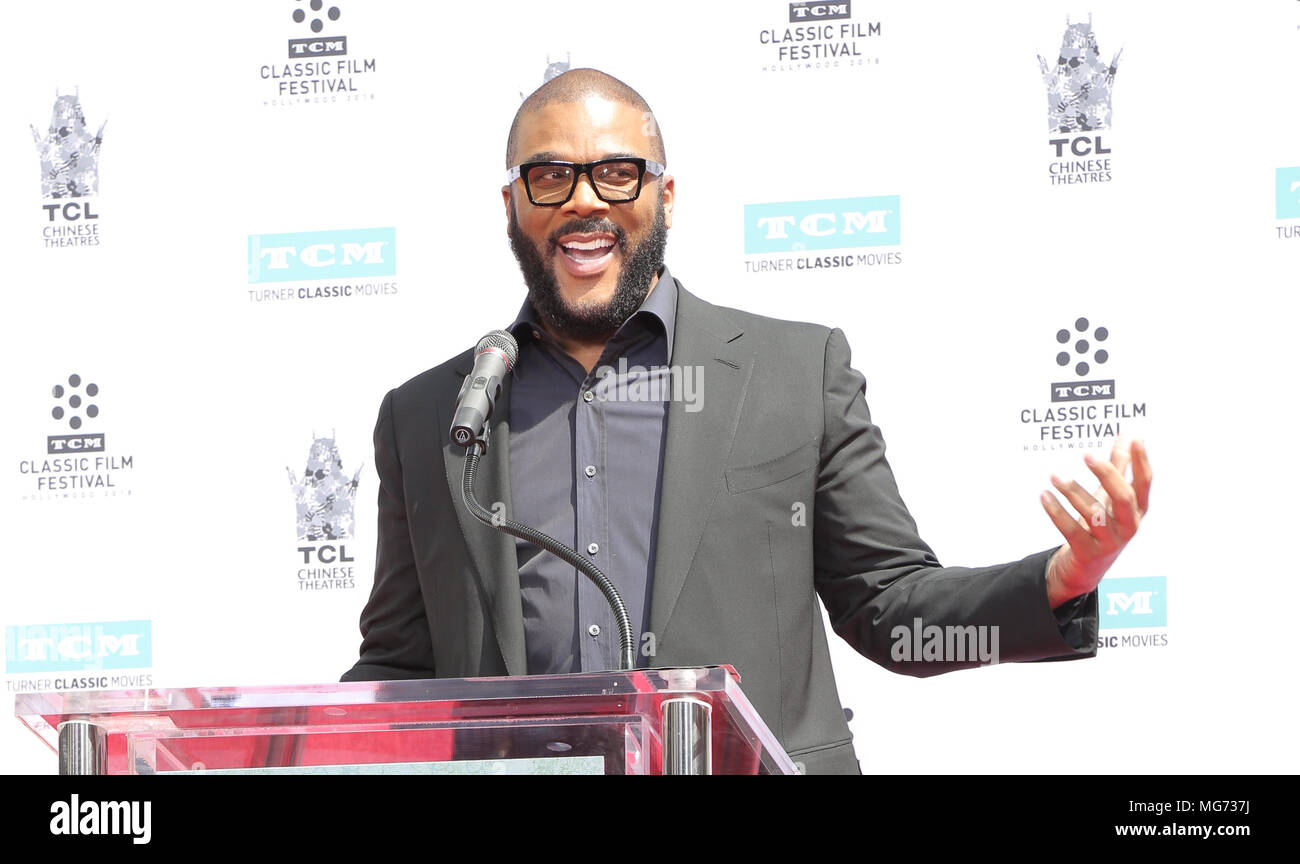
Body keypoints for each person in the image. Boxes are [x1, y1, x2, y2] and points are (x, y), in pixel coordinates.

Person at [342, 68, 1153, 774]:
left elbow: (892, 607)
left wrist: (1059, 582)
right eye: (551, 176)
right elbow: (400, 665)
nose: (585, 200)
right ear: (514, 203)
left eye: (617, 173)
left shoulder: (793, 375)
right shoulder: (430, 416)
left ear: (665, 195)